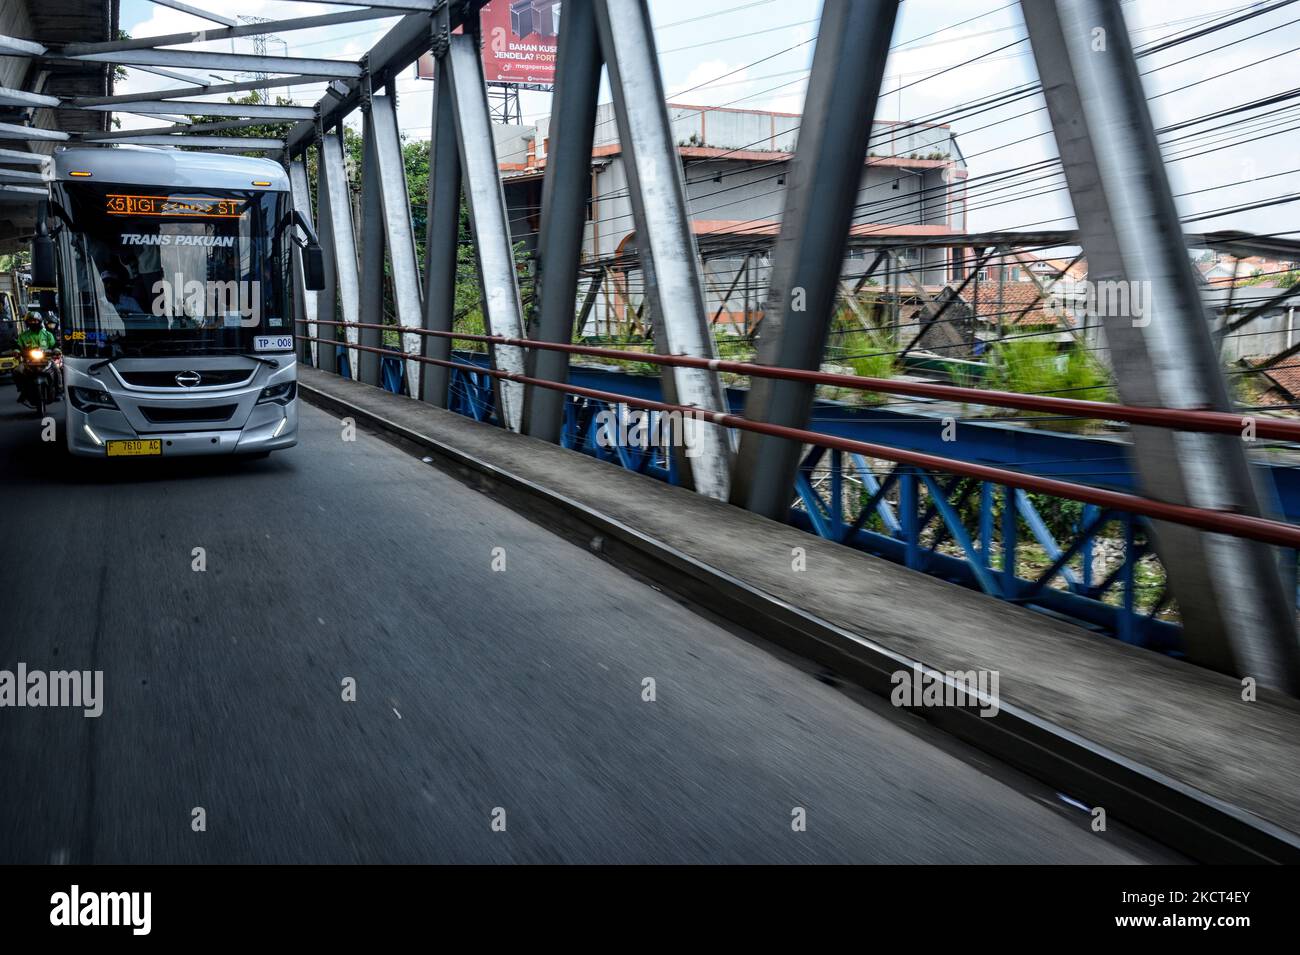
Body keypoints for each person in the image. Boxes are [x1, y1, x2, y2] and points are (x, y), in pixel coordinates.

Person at [11, 310, 58, 401]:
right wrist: (16, 351)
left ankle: (59, 391)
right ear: (27, 323)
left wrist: (56, 350)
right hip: (28, 361)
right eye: (30, 321)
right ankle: (23, 391)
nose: (33, 323)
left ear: (39, 321)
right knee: (17, 371)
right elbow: (18, 346)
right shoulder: (23, 336)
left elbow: (54, 345)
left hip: (46, 360)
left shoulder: (47, 334)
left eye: (35, 321)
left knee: (57, 370)